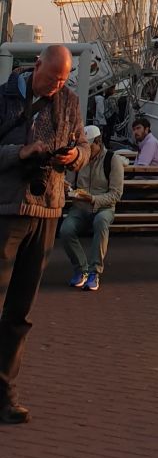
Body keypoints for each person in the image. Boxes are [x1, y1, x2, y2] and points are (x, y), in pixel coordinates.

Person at [0, 44, 87, 421]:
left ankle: (5, 395)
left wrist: (75, 157)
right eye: (51, 78)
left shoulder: (68, 101)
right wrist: (18, 153)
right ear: (36, 66)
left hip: (47, 209)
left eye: (63, 79)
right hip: (6, 210)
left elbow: (84, 144)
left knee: (20, 311)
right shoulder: (5, 97)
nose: (56, 85)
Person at [61, 125, 123, 291]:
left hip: (104, 207)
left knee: (101, 223)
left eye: (89, 146)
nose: (86, 150)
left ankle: (95, 271)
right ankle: (81, 268)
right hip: (80, 207)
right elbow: (70, 183)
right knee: (65, 230)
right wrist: (68, 188)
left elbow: (116, 194)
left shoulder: (112, 159)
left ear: (98, 142)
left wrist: (94, 199)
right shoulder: (79, 158)